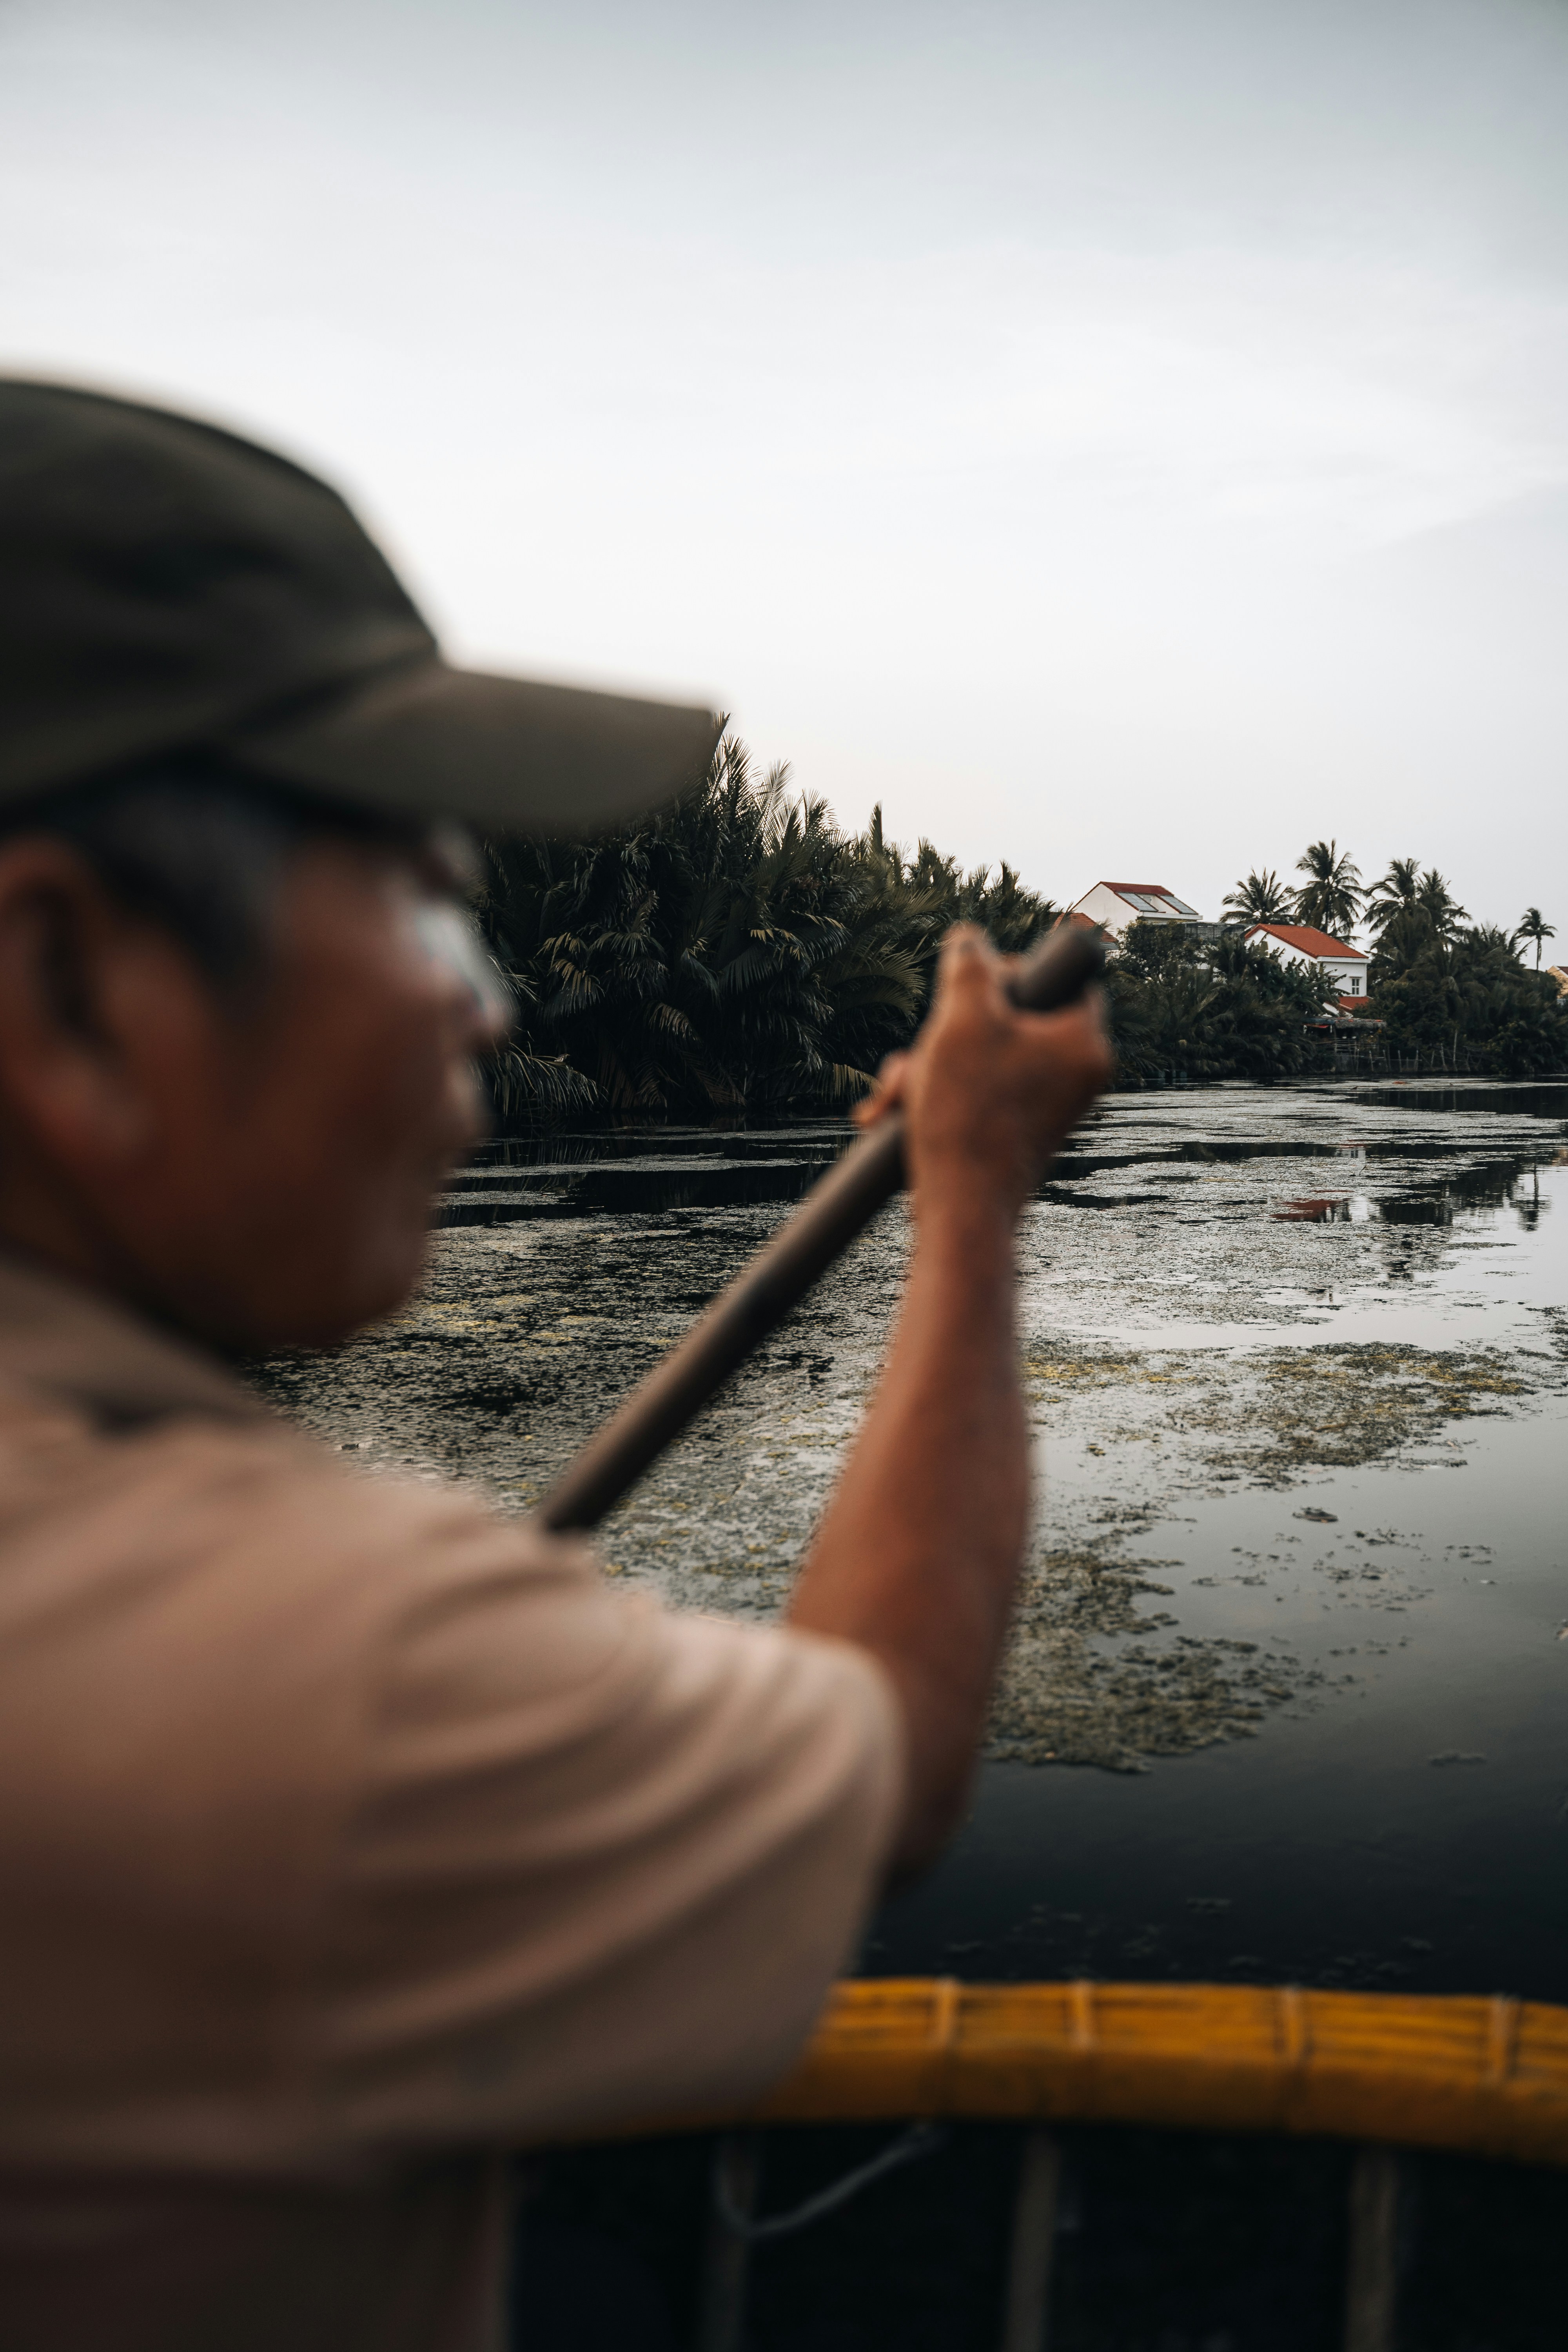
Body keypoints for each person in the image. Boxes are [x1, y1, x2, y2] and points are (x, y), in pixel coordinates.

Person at [0, 380, 1111, 2351]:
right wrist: (968, 1200)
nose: (493, 1019)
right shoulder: (300, 1658)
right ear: (72, 985)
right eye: (436, 910)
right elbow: (884, 1758)